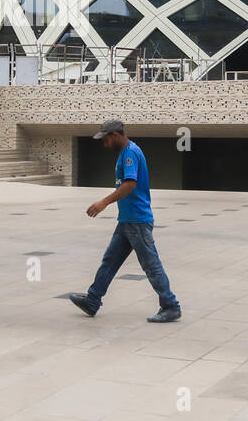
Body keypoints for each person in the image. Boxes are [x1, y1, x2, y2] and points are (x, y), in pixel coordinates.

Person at [69, 120, 181, 323]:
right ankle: (92, 300)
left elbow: (130, 184)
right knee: (110, 262)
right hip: (127, 220)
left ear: (115, 135)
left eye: (105, 139)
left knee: (151, 265)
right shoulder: (126, 152)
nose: (104, 143)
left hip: (137, 220)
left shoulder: (130, 152)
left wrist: (104, 202)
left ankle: (170, 305)